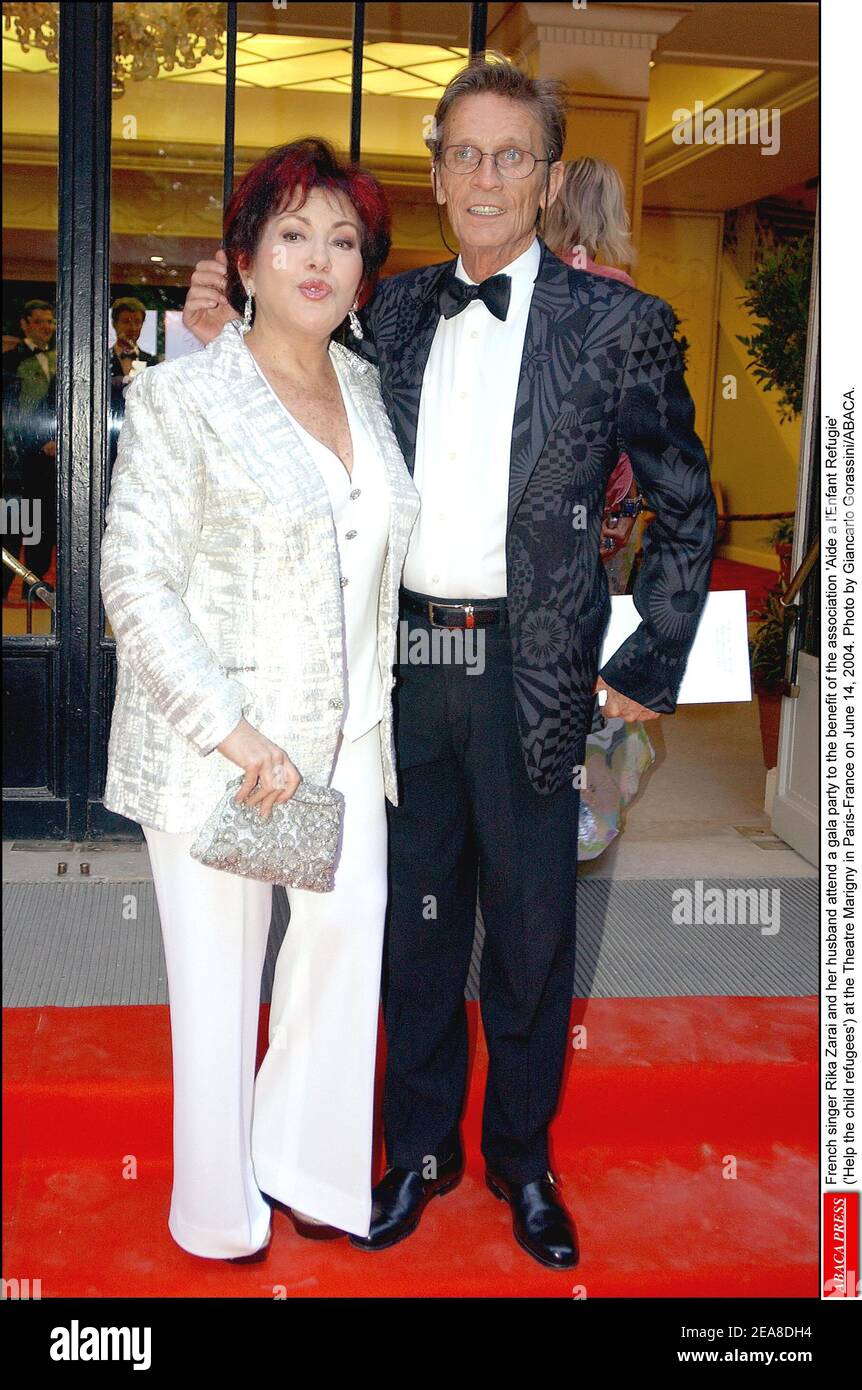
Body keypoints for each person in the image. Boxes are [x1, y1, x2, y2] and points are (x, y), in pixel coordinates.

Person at [183, 58, 716, 1271]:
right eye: (463, 154)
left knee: (528, 939)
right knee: (411, 932)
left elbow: (688, 504)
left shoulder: (620, 328)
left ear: (547, 179)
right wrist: (219, 311)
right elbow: (280, 359)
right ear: (435, 176)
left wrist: (652, 653)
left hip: (538, 673)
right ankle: (418, 1151)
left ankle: (522, 1164)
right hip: (401, 666)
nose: (483, 176)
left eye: (508, 155)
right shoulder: (392, 309)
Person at [100, 138, 419, 1262]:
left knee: (345, 947)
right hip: (221, 752)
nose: (318, 259)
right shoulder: (181, 394)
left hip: (346, 740)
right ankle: (218, 1216)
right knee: (221, 987)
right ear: (243, 259)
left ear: (365, 271)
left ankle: (306, 1168)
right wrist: (233, 733)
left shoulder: (368, 390)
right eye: (291, 234)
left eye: (342, 240)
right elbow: (134, 580)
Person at [546, 156, 657, 859]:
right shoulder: (626, 302)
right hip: (596, 534)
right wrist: (622, 508)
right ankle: (587, 813)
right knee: (599, 680)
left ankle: (546, 811)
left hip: (531, 527)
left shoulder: (533, 289)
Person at [2, 300, 57, 598]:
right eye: (39, 321)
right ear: (24, 324)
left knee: (42, 531)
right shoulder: (9, 362)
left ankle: (32, 596)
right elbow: (12, 416)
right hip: (17, 464)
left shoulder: (61, 359)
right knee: (10, 531)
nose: (46, 327)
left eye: (50, 321)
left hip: (49, 465)